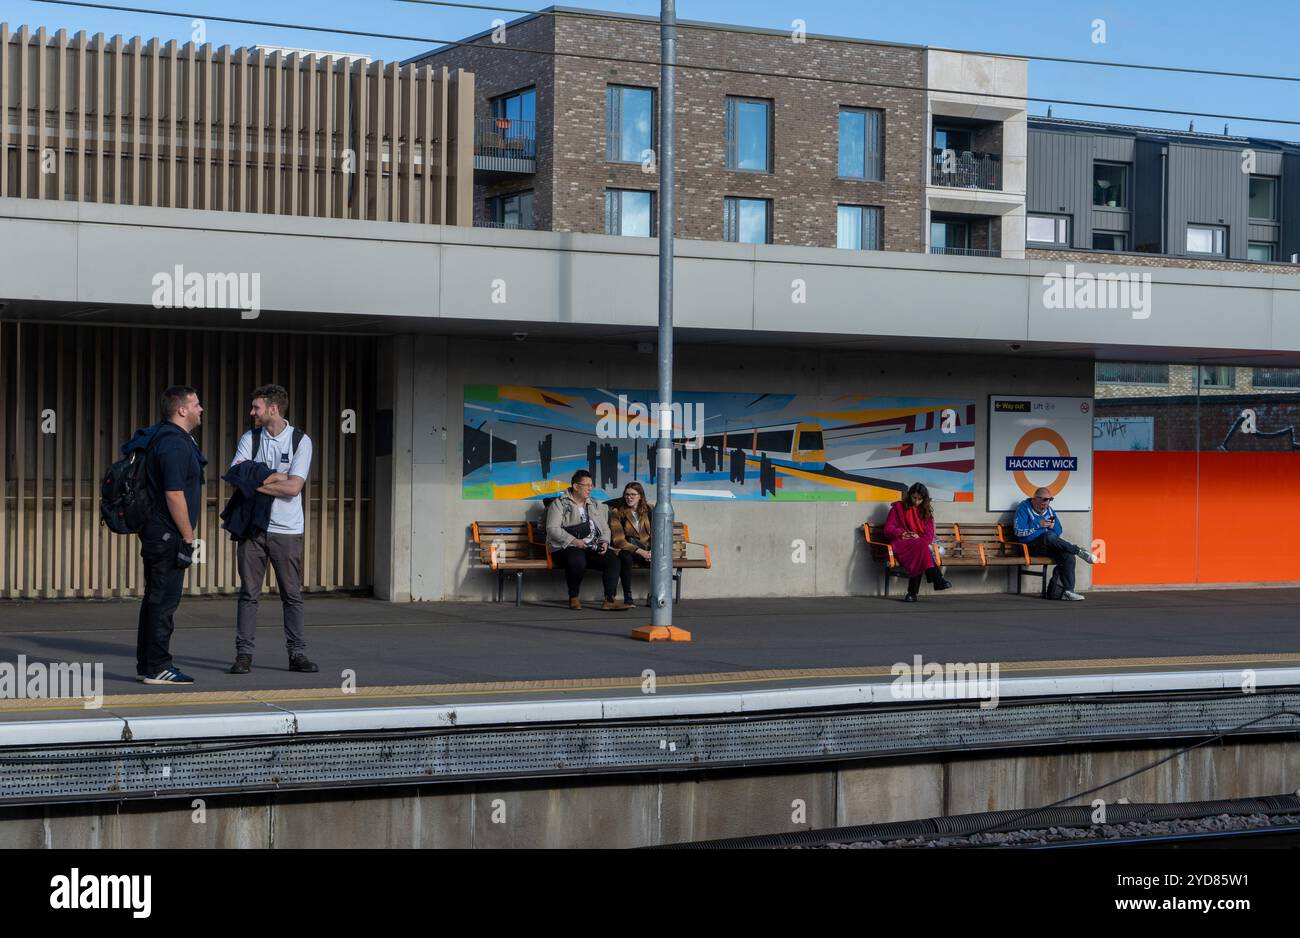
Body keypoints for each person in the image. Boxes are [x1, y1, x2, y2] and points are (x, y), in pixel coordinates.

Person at [228, 384, 318, 673]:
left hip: (287, 530)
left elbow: (294, 487)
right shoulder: (249, 439)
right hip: (253, 528)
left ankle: (297, 654)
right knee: (248, 594)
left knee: (291, 594)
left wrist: (256, 482)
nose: (252, 412)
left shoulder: (300, 441)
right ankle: (243, 655)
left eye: (256, 407)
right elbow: (235, 477)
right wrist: (273, 476)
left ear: (273, 409)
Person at [130, 385, 207, 684]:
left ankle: (149, 665)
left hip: (158, 533)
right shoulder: (174, 444)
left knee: (155, 599)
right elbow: (174, 494)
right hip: (167, 536)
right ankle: (158, 666)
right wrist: (189, 538)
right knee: (163, 603)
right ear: (182, 410)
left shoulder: (165, 437)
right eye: (197, 404)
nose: (201, 409)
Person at [545, 470, 630, 611]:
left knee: (613, 560)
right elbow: (552, 529)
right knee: (577, 558)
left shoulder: (593, 504)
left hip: (590, 546)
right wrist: (574, 541)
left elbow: (605, 529)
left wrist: (604, 542)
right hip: (565, 547)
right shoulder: (559, 504)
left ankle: (609, 599)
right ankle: (574, 597)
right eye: (587, 485)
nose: (590, 488)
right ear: (576, 486)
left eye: (592, 485)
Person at [1012, 487, 1098, 601]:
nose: (1044, 506)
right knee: (1048, 536)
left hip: (1047, 545)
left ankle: (1068, 591)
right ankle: (1078, 550)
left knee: (1068, 555)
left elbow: (1058, 531)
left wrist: (1053, 527)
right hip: (1028, 547)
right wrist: (1038, 524)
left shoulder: (1049, 510)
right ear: (1034, 499)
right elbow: (1018, 532)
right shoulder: (1023, 508)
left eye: (1048, 501)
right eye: (1042, 502)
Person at [883, 483, 952, 602]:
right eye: (914, 498)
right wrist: (902, 533)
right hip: (902, 544)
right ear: (909, 495)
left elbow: (929, 535)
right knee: (920, 546)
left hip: (919, 547)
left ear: (924, 499)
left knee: (920, 547)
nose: (916, 501)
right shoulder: (898, 508)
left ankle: (912, 593)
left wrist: (919, 538)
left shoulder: (926, 513)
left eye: (920, 499)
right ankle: (936, 578)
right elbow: (888, 529)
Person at [609, 481, 654, 607]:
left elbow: (658, 533)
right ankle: (627, 596)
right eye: (627, 494)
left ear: (640, 496)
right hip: (629, 549)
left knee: (660, 559)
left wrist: (652, 551)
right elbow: (618, 540)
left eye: (633, 494)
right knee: (625, 557)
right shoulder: (617, 512)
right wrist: (641, 552)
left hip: (648, 550)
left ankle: (653, 596)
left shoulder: (650, 510)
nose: (629, 497)